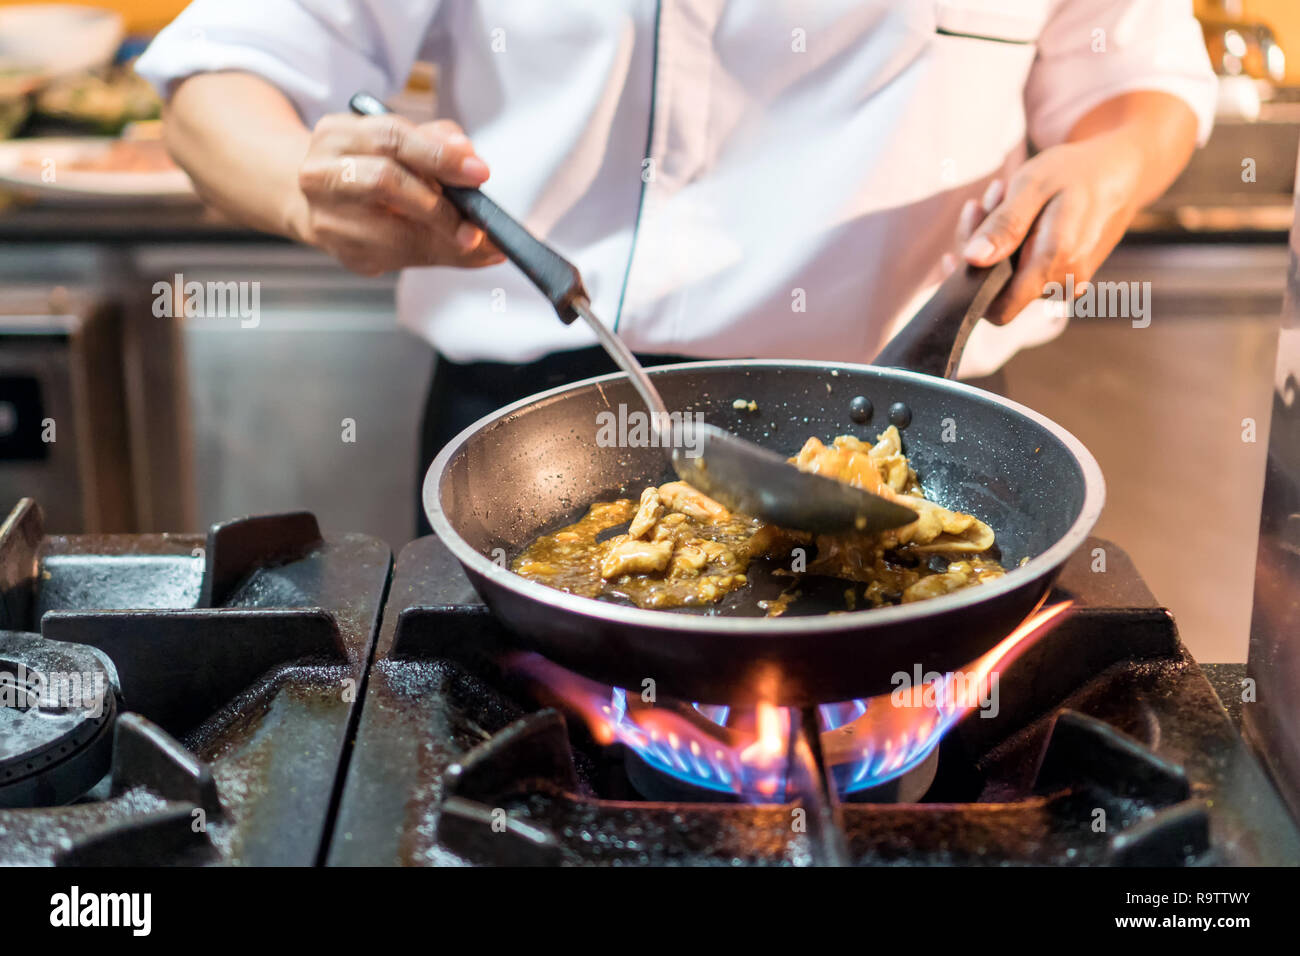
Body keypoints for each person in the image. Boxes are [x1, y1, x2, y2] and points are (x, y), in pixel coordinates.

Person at [136, 0, 1216, 535]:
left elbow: (1136, 78)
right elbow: (225, 69)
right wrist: (300, 181)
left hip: (929, 427)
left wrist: (1108, 163)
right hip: (539, 428)